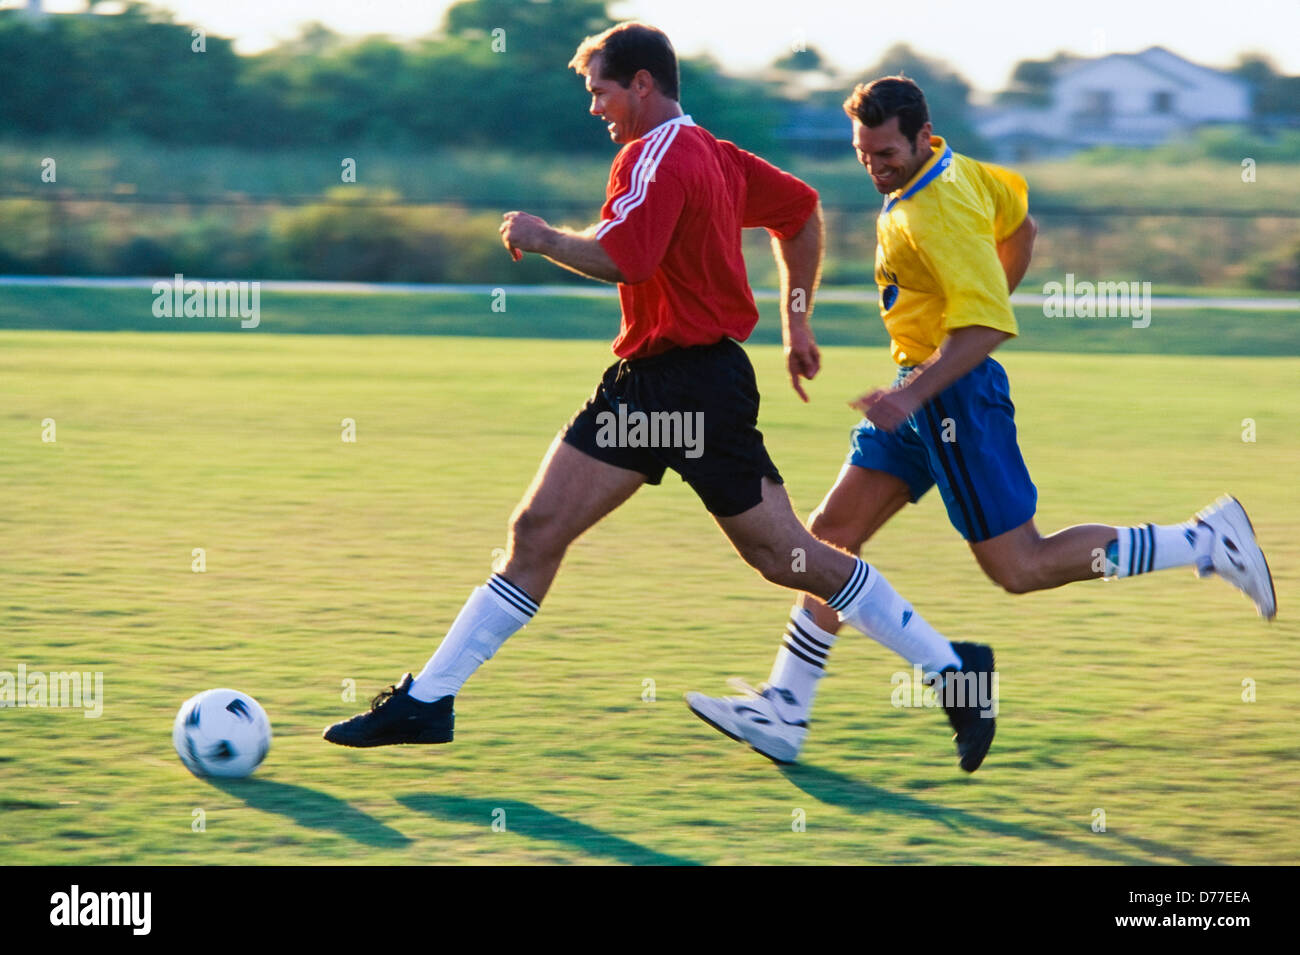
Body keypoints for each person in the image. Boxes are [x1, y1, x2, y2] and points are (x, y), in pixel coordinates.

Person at [323, 26, 996, 772]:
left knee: (789, 555)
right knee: (539, 527)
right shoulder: (711, 152)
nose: (595, 109)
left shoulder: (654, 154)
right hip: (658, 381)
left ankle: (950, 668)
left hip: (691, 387)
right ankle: (428, 700)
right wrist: (795, 316)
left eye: (601, 92)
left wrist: (544, 236)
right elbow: (801, 211)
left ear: (643, 84)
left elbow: (625, 257)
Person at [685, 75, 1276, 767]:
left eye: (885, 153)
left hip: (950, 400)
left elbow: (986, 327)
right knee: (829, 537)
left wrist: (921, 383)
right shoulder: (958, 168)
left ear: (918, 137)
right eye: (863, 152)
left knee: (1020, 565)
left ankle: (1205, 541)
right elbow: (1022, 226)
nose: (873, 165)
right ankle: (786, 707)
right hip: (919, 387)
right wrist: (941, 346)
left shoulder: (935, 209)